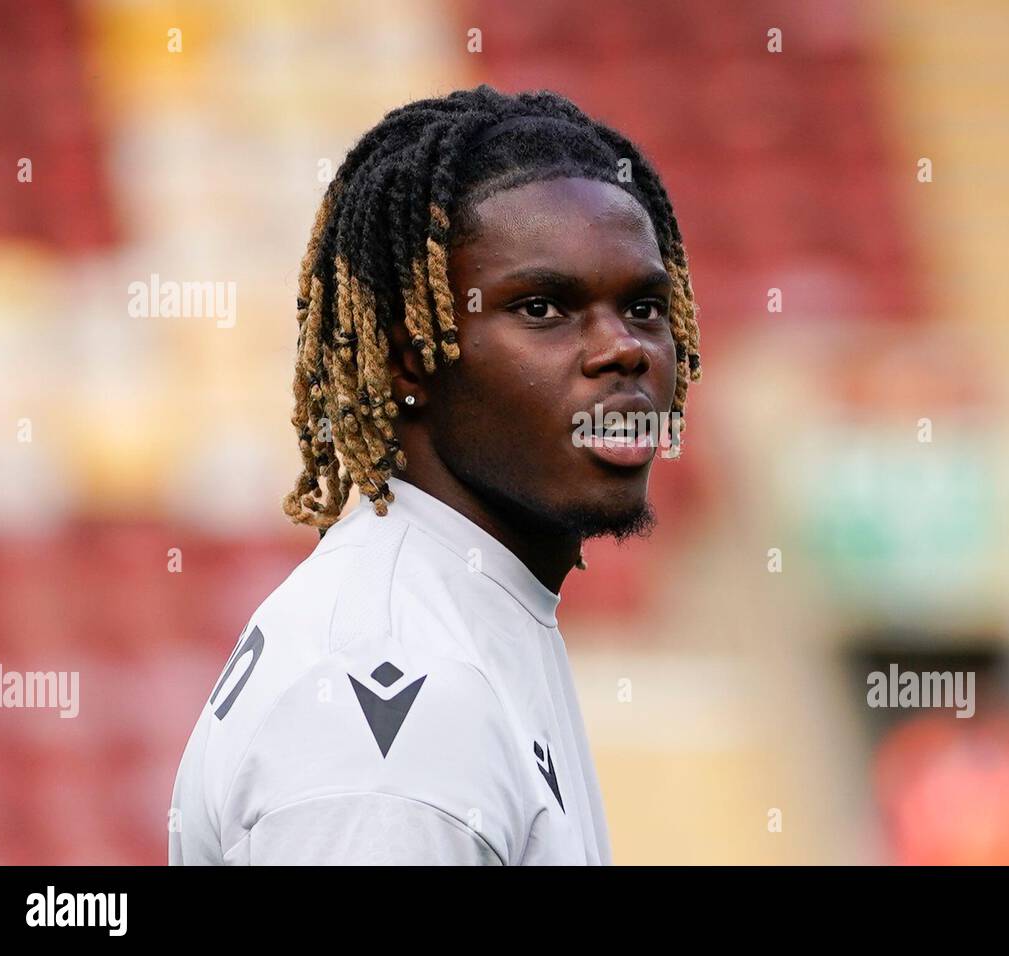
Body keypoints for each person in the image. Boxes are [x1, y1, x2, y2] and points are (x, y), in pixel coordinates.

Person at [168, 85, 701, 865]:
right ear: (409, 357)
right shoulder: (397, 694)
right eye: (545, 308)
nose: (625, 351)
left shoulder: (473, 609)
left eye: (646, 307)